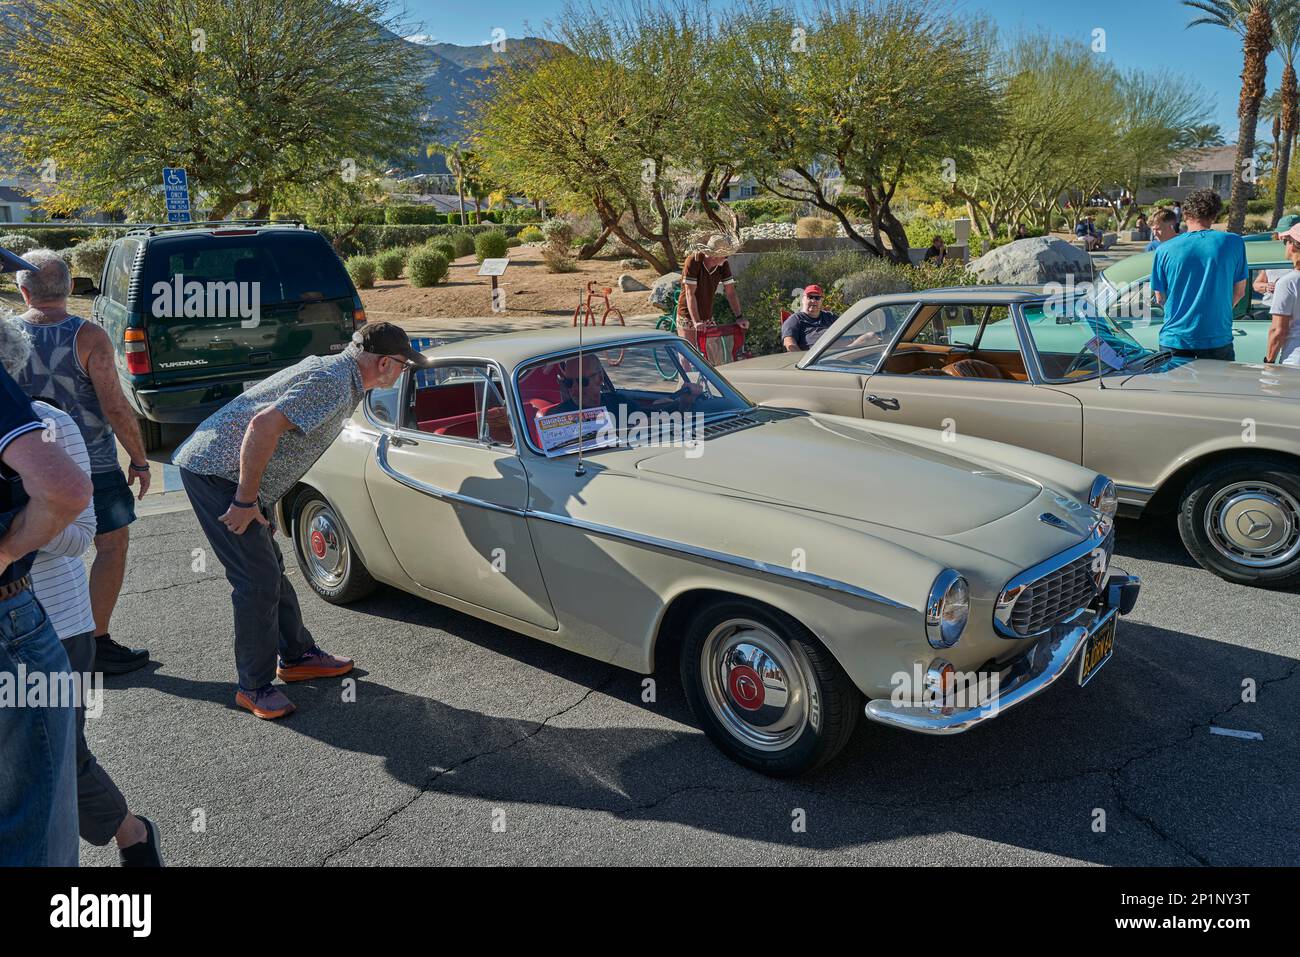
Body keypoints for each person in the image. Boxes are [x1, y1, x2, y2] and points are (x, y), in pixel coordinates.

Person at [172, 322, 430, 719]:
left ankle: (296, 656)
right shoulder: (331, 382)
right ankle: (253, 687)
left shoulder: (342, 376)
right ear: (383, 363)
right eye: (401, 365)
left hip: (232, 473)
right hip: (215, 472)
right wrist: (244, 500)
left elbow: (275, 436)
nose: (402, 373)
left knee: (269, 566)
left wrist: (261, 499)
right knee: (255, 579)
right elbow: (261, 427)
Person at [0, 319, 161, 865]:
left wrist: (16, 536)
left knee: (60, 760)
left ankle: (135, 838)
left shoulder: (46, 424)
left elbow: (80, 533)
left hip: (56, 623)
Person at [12, 250, 150, 676]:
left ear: (23, 291)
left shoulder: (6, 334)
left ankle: (38, 638)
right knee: (110, 545)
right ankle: (96, 641)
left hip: (26, 463)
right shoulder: (88, 336)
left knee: (32, 549)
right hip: (93, 461)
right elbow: (115, 405)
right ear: (71, 287)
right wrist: (141, 460)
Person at [0, 245, 94, 865]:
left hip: (46, 619)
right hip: (18, 619)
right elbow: (66, 495)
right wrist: (8, 549)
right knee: (37, 814)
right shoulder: (38, 419)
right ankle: (134, 837)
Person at [1149, 189, 1247, 361]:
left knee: (1176, 389)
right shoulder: (1234, 243)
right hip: (1217, 338)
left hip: (1175, 339)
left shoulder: (1163, 250)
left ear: (1185, 214)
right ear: (1214, 215)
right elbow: (1239, 292)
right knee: (1216, 389)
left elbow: (1159, 297)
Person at [549, 352, 703, 417]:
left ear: (599, 379)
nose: (574, 390)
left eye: (583, 382)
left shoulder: (618, 402)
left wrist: (683, 403)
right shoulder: (558, 416)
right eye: (569, 382)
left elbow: (650, 416)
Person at [676, 234, 745, 364]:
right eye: (725, 256)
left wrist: (739, 316)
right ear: (714, 255)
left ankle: (712, 382)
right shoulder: (693, 261)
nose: (726, 259)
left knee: (715, 354)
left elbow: (730, 292)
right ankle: (685, 383)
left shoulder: (723, 265)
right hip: (687, 314)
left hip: (707, 315)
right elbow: (690, 294)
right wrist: (696, 321)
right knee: (687, 354)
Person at [1266, 224, 1300, 366]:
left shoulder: (1288, 282)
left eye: (1286, 241)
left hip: (1295, 359)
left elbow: (1278, 330)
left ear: (1292, 245)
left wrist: (1269, 361)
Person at [781, 286, 840, 352]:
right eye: (810, 297)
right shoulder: (795, 319)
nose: (813, 300)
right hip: (814, 360)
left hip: (839, 355)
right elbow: (789, 344)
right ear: (803, 300)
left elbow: (849, 328)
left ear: (821, 301)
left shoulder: (830, 316)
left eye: (817, 298)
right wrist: (803, 360)